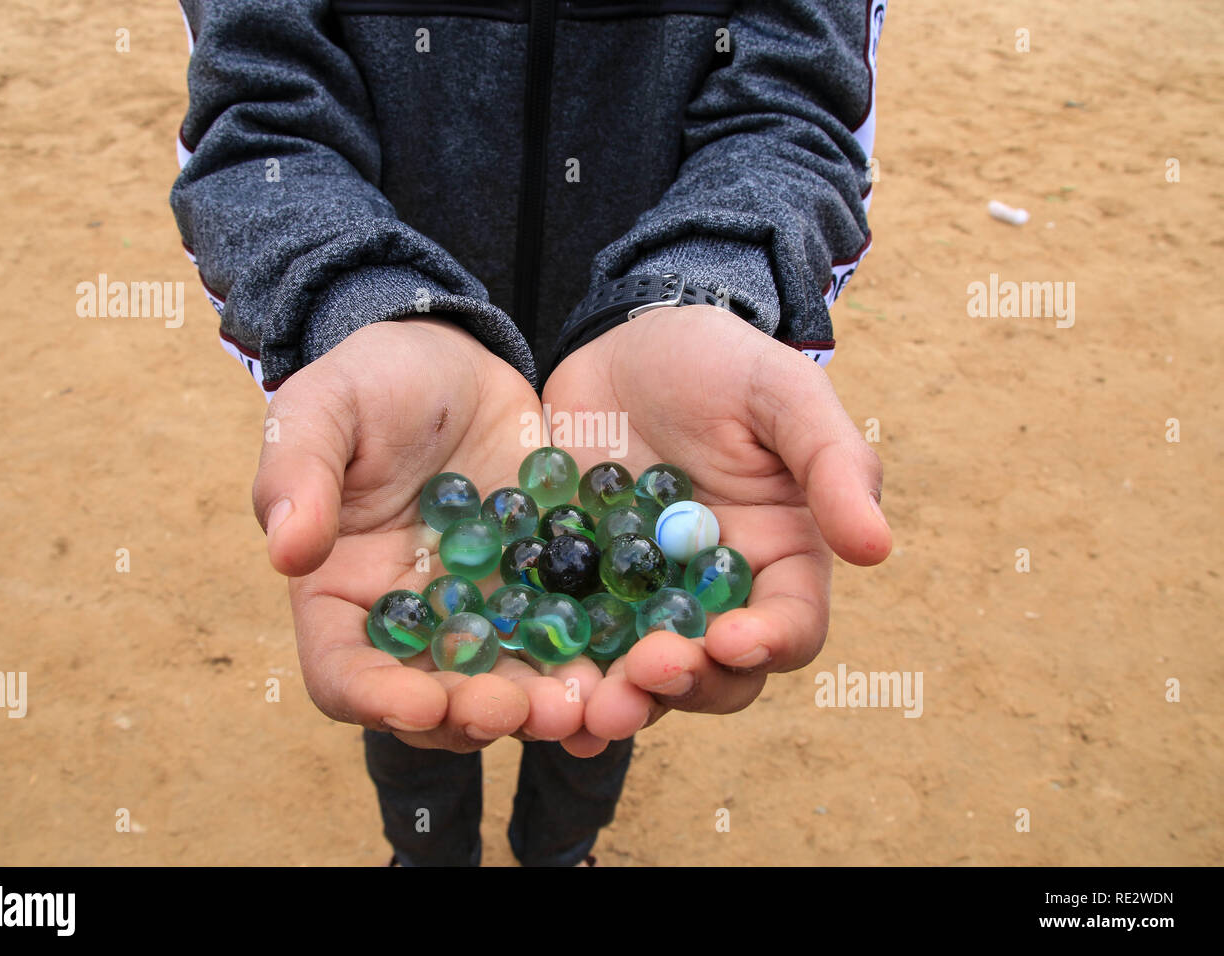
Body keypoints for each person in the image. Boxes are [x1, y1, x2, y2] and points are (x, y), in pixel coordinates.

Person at [170, 0, 892, 866]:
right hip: (419, 398)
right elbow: (257, 114)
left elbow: (798, 108)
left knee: (616, 670)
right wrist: (360, 305)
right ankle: (427, 851)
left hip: (640, 382)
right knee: (415, 677)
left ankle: (561, 849)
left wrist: (703, 288)